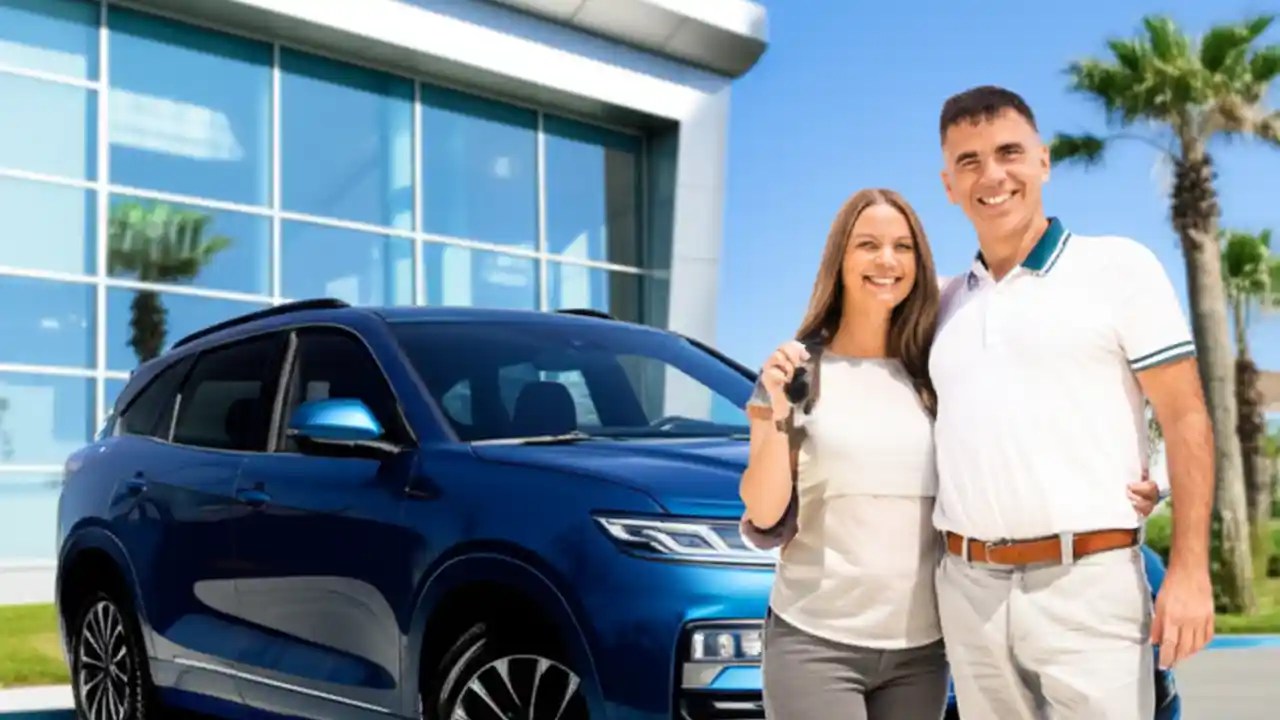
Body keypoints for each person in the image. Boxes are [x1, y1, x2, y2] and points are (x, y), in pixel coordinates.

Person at [736, 188, 1162, 720]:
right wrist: (777, 413)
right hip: (815, 641)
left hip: (920, 651)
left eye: (903, 247)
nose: (886, 260)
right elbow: (765, 511)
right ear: (839, 259)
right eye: (867, 245)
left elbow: (1028, 424)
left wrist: (1139, 479)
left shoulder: (934, 371)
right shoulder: (796, 370)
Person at [928, 85, 1216, 720]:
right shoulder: (944, 305)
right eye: (969, 161)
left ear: (1042, 162)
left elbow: (1186, 414)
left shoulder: (1117, 267)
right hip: (969, 592)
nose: (992, 174)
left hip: (1090, 583)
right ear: (948, 183)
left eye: (1009, 152)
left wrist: (1192, 572)